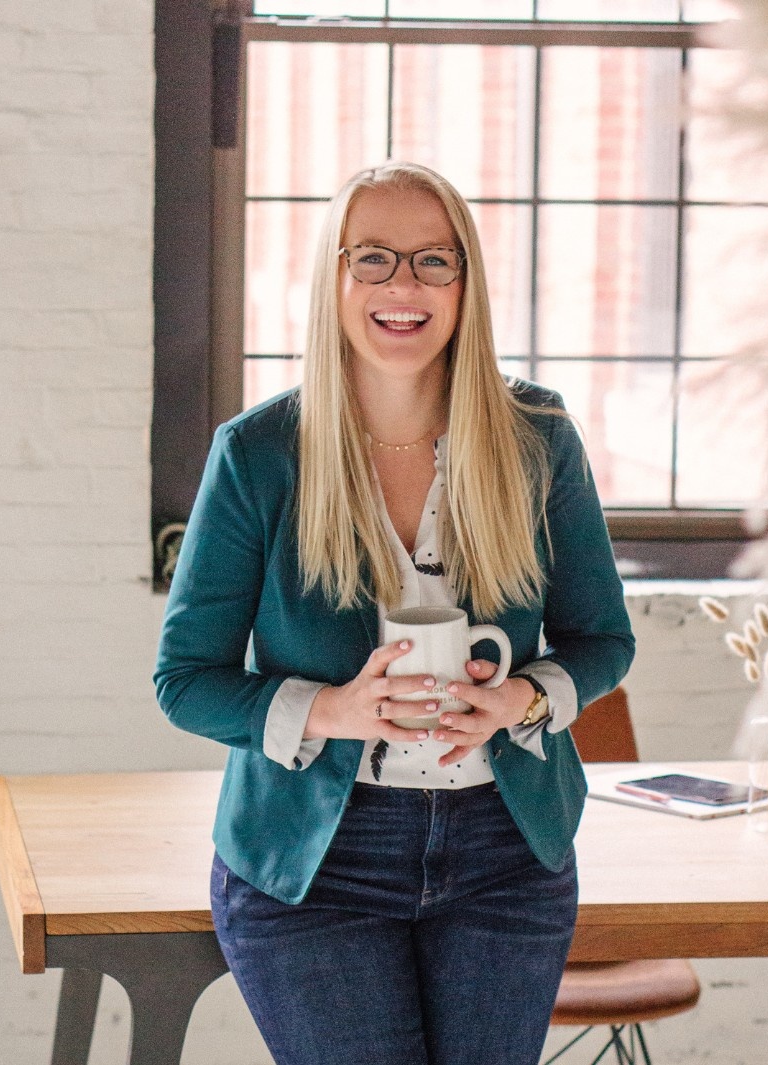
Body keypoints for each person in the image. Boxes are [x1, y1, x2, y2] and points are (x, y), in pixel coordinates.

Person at [154, 160, 634, 1065]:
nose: (403, 286)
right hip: (315, 863)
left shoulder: (539, 440)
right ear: (334, 277)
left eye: (432, 260)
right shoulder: (258, 454)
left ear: (465, 281)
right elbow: (185, 681)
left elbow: (603, 639)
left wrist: (522, 699)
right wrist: (332, 709)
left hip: (506, 853)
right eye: (372, 257)